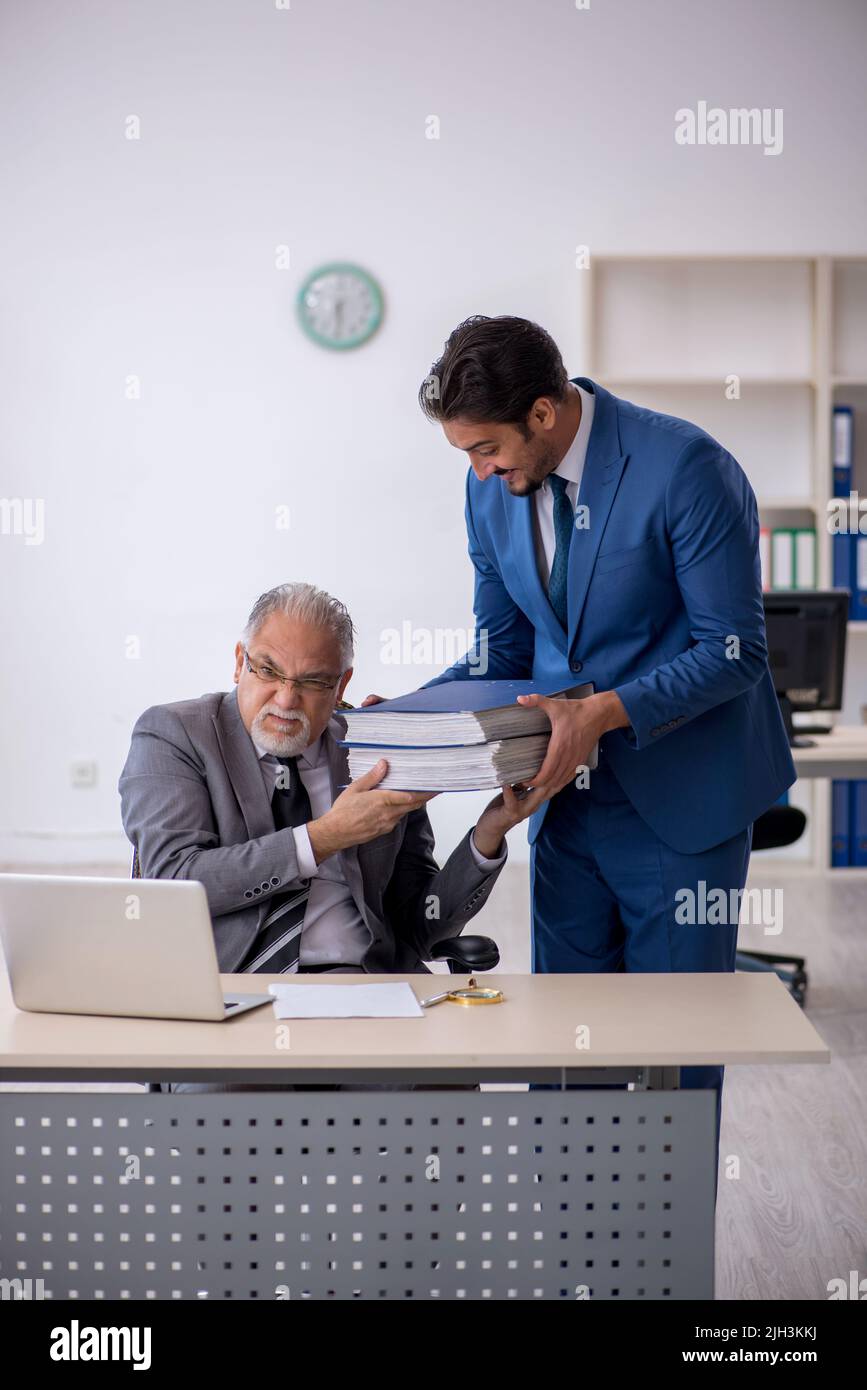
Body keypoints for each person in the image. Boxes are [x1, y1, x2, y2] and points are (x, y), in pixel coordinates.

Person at [397, 314, 796, 1158]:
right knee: (568, 1046)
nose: (479, 471)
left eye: (486, 448)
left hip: (684, 799)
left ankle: (665, 1267)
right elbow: (499, 649)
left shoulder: (683, 467)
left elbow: (733, 650)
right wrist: (402, 713)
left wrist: (601, 712)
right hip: (563, 800)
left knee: (673, 1048)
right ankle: (577, 1260)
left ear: (544, 413)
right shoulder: (489, 490)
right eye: (466, 454)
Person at [119, 581, 534, 1091]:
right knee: (230, 1110)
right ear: (238, 661)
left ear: (342, 686)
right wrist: (323, 838)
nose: (286, 698)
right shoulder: (175, 734)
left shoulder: (376, 747)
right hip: (228, 993)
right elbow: (173, 879)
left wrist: (487, 835)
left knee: (440, 1087)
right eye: (268, 670)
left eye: (313, 682)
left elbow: (417, 925)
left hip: (363, 989)